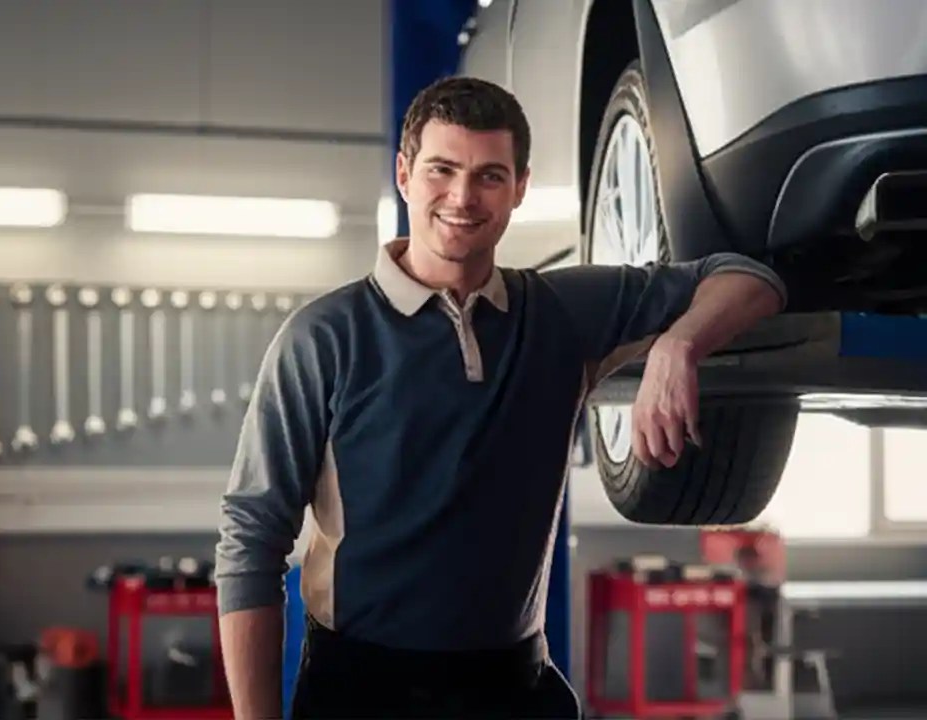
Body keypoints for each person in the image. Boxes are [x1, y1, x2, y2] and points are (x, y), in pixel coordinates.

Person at [214, 76, 787, 719]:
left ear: (520, 188)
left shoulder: (560, 312)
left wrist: (677, 345)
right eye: (441, 170)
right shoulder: (324, 337)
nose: (462, 197)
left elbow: (750, 279)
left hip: (516, 690)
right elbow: (251, 539)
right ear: (404, 174)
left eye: (489, 176)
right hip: (363, 694)